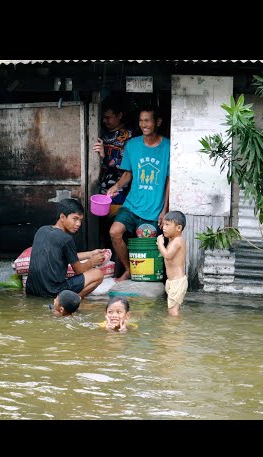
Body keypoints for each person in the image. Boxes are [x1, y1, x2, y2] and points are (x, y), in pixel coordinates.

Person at [107, 105, 170, 282]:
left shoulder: (168, 147)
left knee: (146, 245)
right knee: (114, 232)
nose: (144, 124)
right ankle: (128, 269)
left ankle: (149, 275)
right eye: (141, 121)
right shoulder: (132, 145)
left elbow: (169, 181)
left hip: (153, 208)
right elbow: (128, 174)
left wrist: (164, 210)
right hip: (132, 204)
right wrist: (116, 186)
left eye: (147, 120)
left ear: (157, 122)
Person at [25, 198, 106, 299]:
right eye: (75, 219)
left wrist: (91, 254)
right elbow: (79, 270)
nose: (78, 224)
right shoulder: (66, 239)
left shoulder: (42, 230)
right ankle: (73, 300)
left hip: (31, 290)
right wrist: (92, 262)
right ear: (62, 217)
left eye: (80, 220)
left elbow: (65, 256)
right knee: (97, 274)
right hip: (53, 291)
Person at [93, 96, 134, 213]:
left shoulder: (128, 137)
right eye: (103, 117)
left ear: (119, 116)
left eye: (108, 117)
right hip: (100, 187)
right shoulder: (101, 133)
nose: (104, 121)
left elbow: (126, 166)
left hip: (119, 189)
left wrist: (104, 156)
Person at [157, 210, 188, 316]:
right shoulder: (172, 240)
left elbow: (168, 255)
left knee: (172, 312)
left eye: (167, 225)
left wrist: (160, 244)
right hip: (172, 281)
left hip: (177, 281)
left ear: (178, 228)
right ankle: (175, 330)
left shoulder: (178, 241)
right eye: (163, 224)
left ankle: (175, 331)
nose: (164, 227)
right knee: (173, 310)